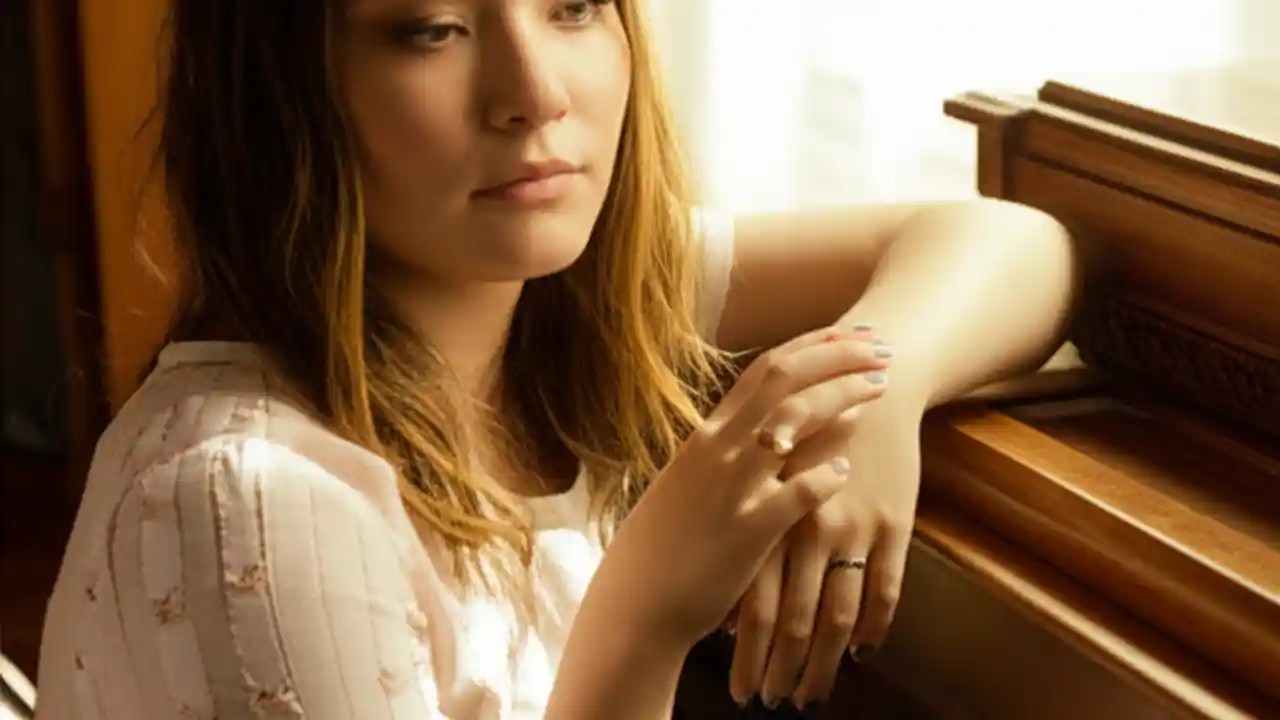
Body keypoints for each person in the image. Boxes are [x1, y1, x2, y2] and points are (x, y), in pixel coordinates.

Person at [35, 0, 1080, 717]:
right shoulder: (250, 501)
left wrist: (872, 388)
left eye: (572, 7)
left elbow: (1012, 243)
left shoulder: (547, 300)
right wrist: (641, 620)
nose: (533, 93)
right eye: (431, 28)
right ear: (276, 90)